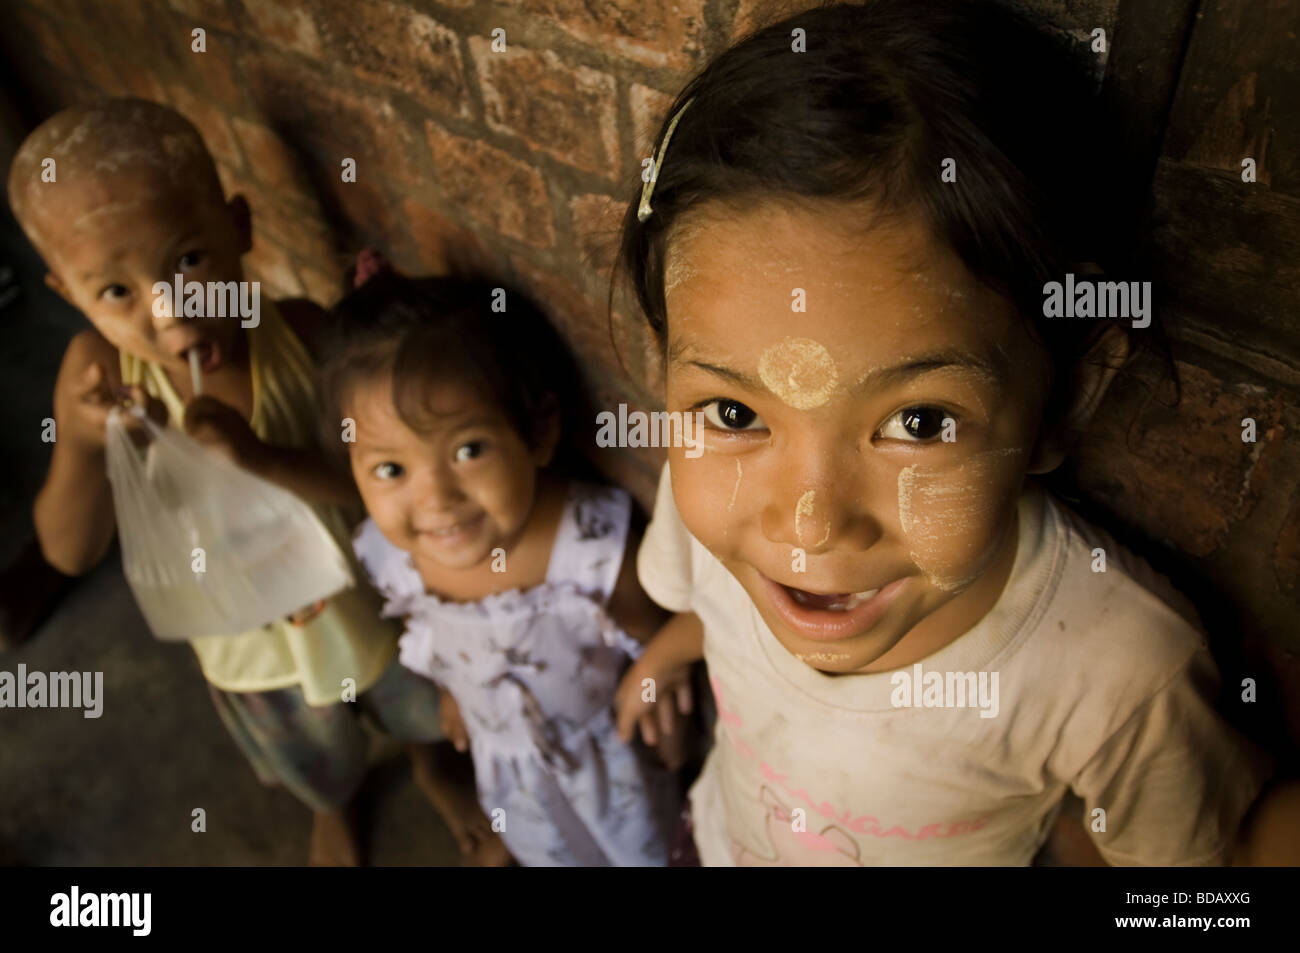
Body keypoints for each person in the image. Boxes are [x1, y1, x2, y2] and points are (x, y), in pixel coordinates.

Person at [612, 1, 1278, 865]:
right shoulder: (710, 506)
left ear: (1069, 397)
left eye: (917, 423)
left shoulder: (1121, 675)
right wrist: (670, 649)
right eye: (736, 413)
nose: (810, 526)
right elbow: (715, 608)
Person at [6, 99, 502, 866]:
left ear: (237, 228)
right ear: (67, 296)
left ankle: (430, 767)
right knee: (318, 756)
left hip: (363, 608)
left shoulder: (305, 337)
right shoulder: (98, 381)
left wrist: (262, 459)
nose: (170, 313)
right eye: (115, 293)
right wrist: (77, 440)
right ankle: (334, 806)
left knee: (413, 709)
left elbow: (377, 488)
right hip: (250, 651)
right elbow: (69, 553)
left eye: (189, 261)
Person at [329, 269, 682, 865]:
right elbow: (430, 632)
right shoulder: (393, 557)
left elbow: (652, 636)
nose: (436, 499)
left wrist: (658, 689)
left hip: (613, 760)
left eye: (469, 450)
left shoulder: (587, 543)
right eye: (391, 469)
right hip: (505, 767)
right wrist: (451, 691)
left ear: (538, 432)